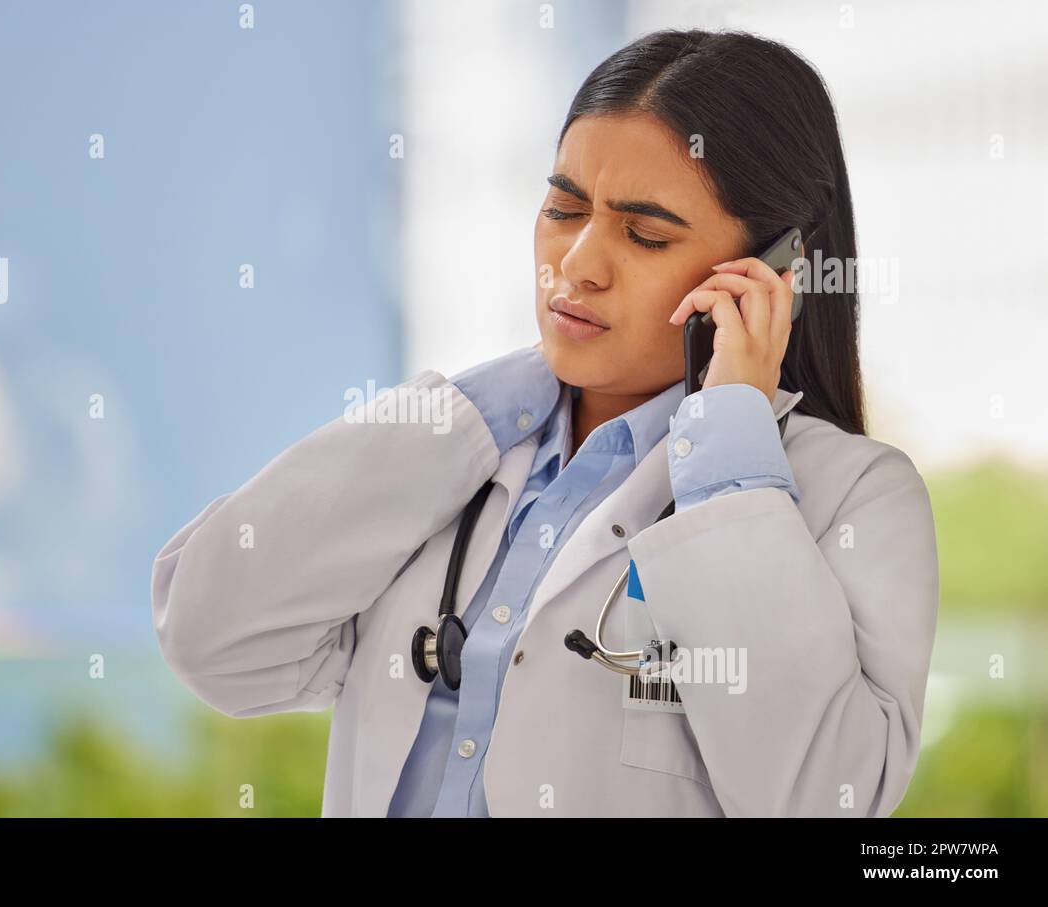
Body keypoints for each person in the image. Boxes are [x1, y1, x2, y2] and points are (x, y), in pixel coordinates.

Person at [150, 29, 939, 817]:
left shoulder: (852, 498)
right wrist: (475, 407)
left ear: (774, 271)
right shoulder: (450, 459)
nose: (577, 264)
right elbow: (212, 637)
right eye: (564, 208)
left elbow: (828, 797)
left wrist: (731, 459)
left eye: (646, 233)